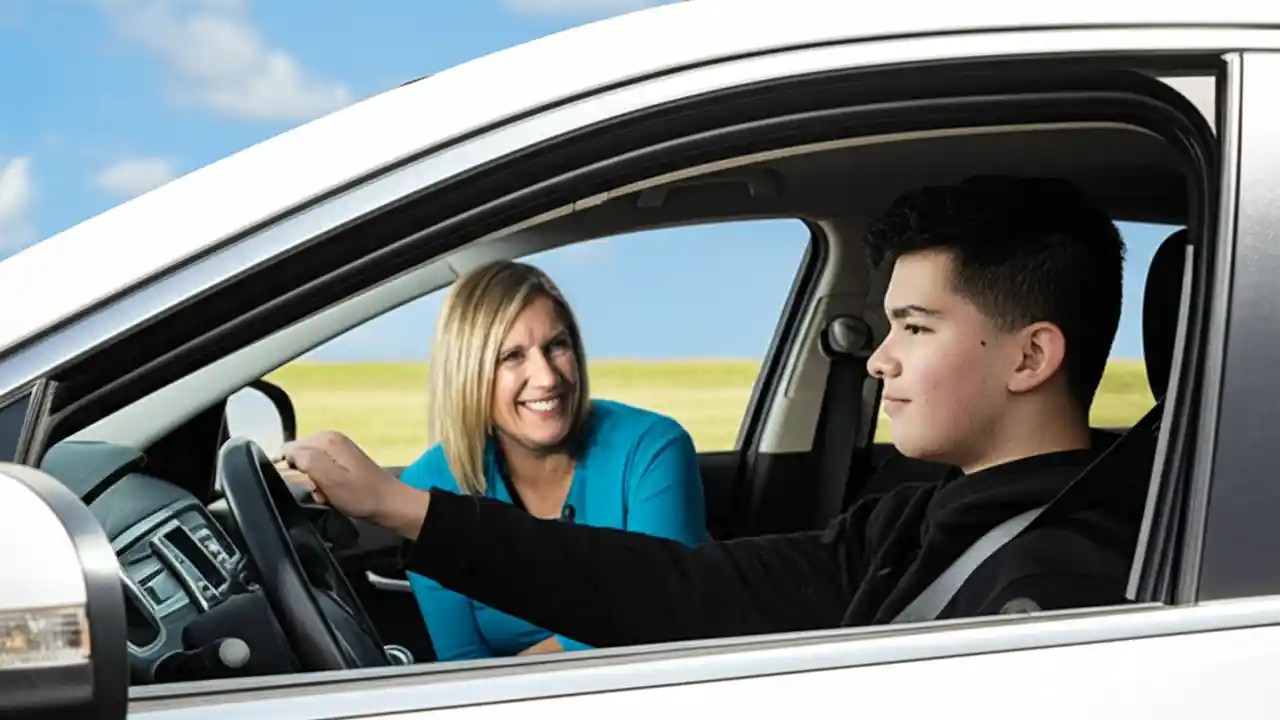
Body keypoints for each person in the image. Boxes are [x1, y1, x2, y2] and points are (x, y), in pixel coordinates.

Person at [283, 175, 1137, 650]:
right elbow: (678, 586)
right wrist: (403, 508)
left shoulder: (1055, 598)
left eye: (915, 327)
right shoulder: (916, 520)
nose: (879, 360)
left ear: (1031, 357)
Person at [392, 260, 707, 661]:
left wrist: (528, 667)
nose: (546, 378)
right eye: (512, 356)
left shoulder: (652, 449)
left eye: (557, 346)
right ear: (468, 374)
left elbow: (663, 616)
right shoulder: (431, 483)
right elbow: (462, 664)